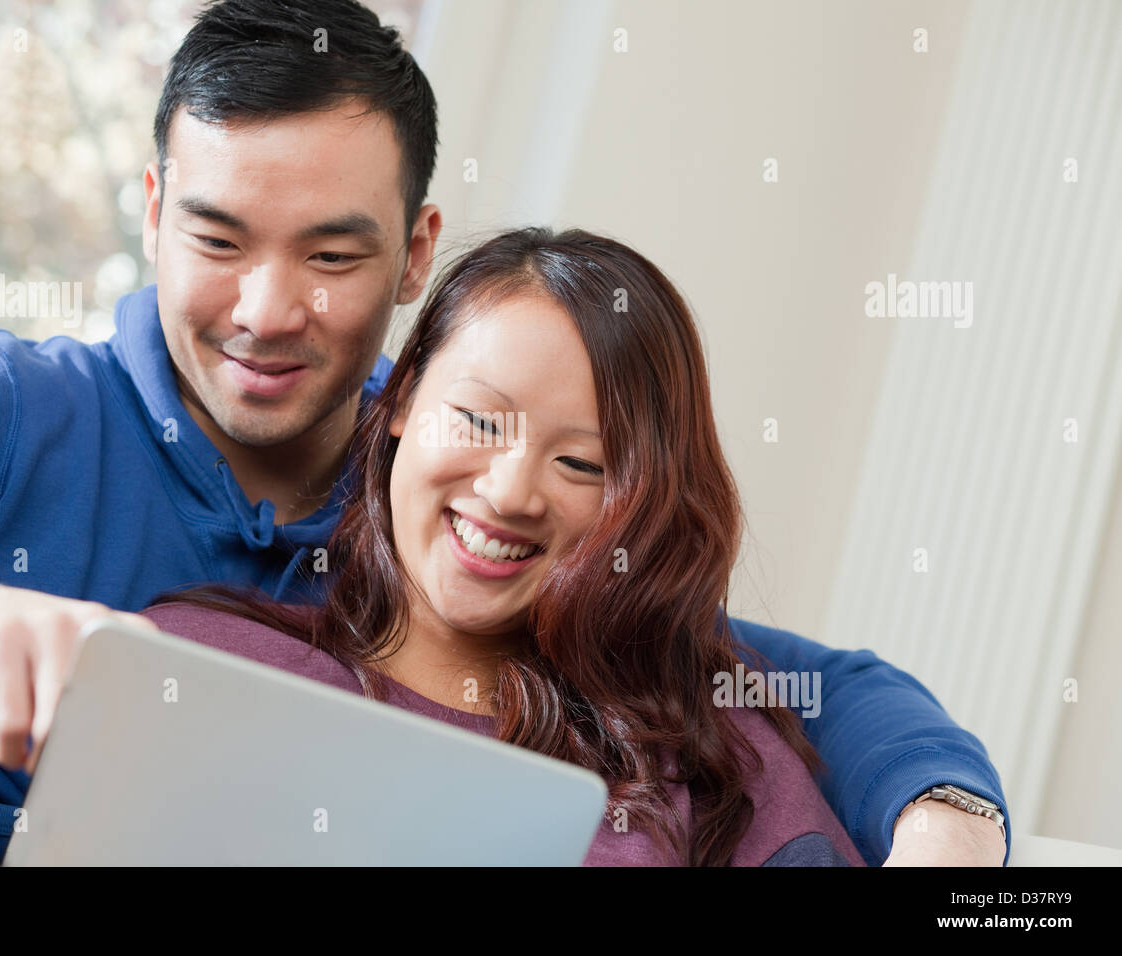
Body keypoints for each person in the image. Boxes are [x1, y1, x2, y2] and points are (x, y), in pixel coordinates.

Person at [0, 0, 1007, 867]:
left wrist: (945, 810)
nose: (267, 311)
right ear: (150, 211)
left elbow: (806, 678)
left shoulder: (451, 489)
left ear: (417, 249)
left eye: (333, 254)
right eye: (219, 239)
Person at [147, 226, 871, 865]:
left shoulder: (713, 770)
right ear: (398, 400)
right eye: (479, 422)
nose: (510, 493)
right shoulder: (193, 662)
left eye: (582, 464)